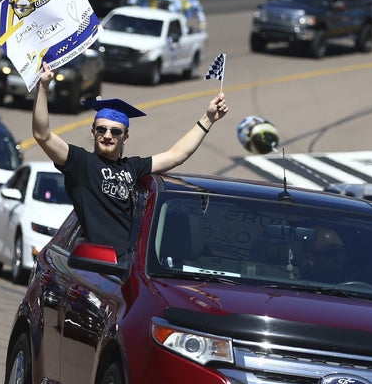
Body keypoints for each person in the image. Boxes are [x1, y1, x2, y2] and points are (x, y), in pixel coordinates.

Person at [32, 62, 228, 256]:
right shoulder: (81, 164)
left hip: (132, 263)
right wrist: (43, 87)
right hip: (103, 266)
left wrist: (208, 119)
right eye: (101, 129)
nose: (107, 135)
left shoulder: (133, 167)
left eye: (115, 131)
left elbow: (177, 155)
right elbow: (43, 135)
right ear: (93, 133)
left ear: (125, 137)